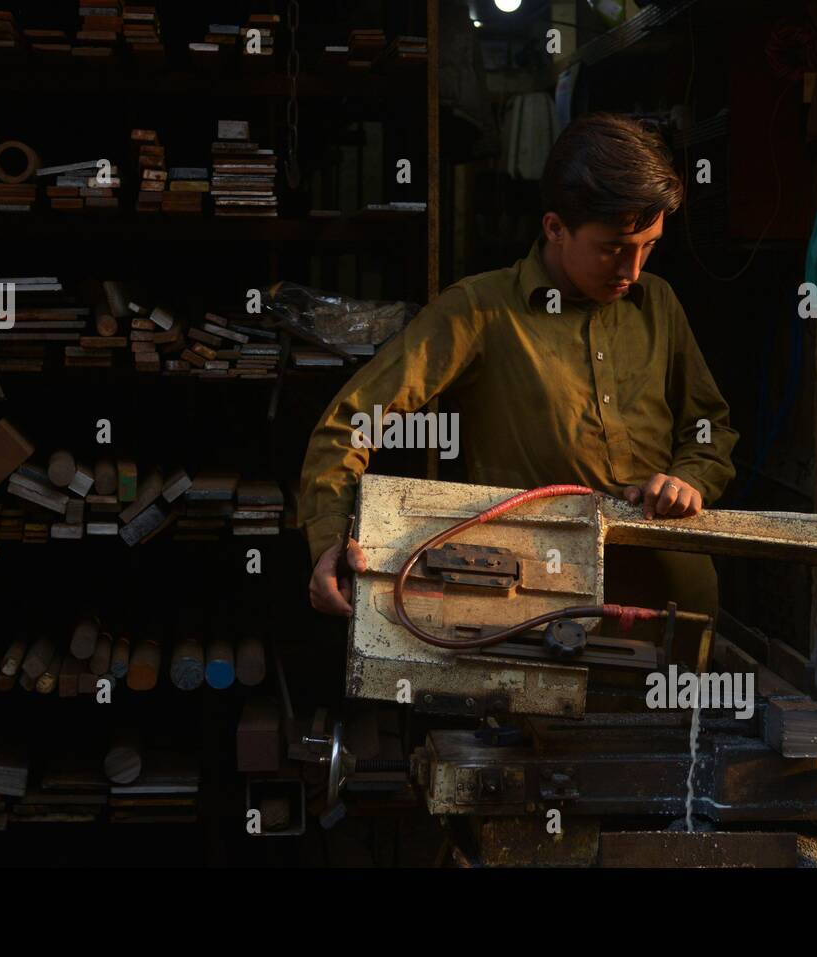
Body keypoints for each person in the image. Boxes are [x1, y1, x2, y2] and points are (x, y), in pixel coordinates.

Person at [298, 113, 738, 650]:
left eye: (649, 247)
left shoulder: (659, 305)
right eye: (614, 248)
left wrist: (689, 477)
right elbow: (352, 423)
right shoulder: (480, 310)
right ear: (555, 227)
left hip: (671, 611)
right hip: (534, 609)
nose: (633, 269)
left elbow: (708, 425)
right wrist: (329, 537)